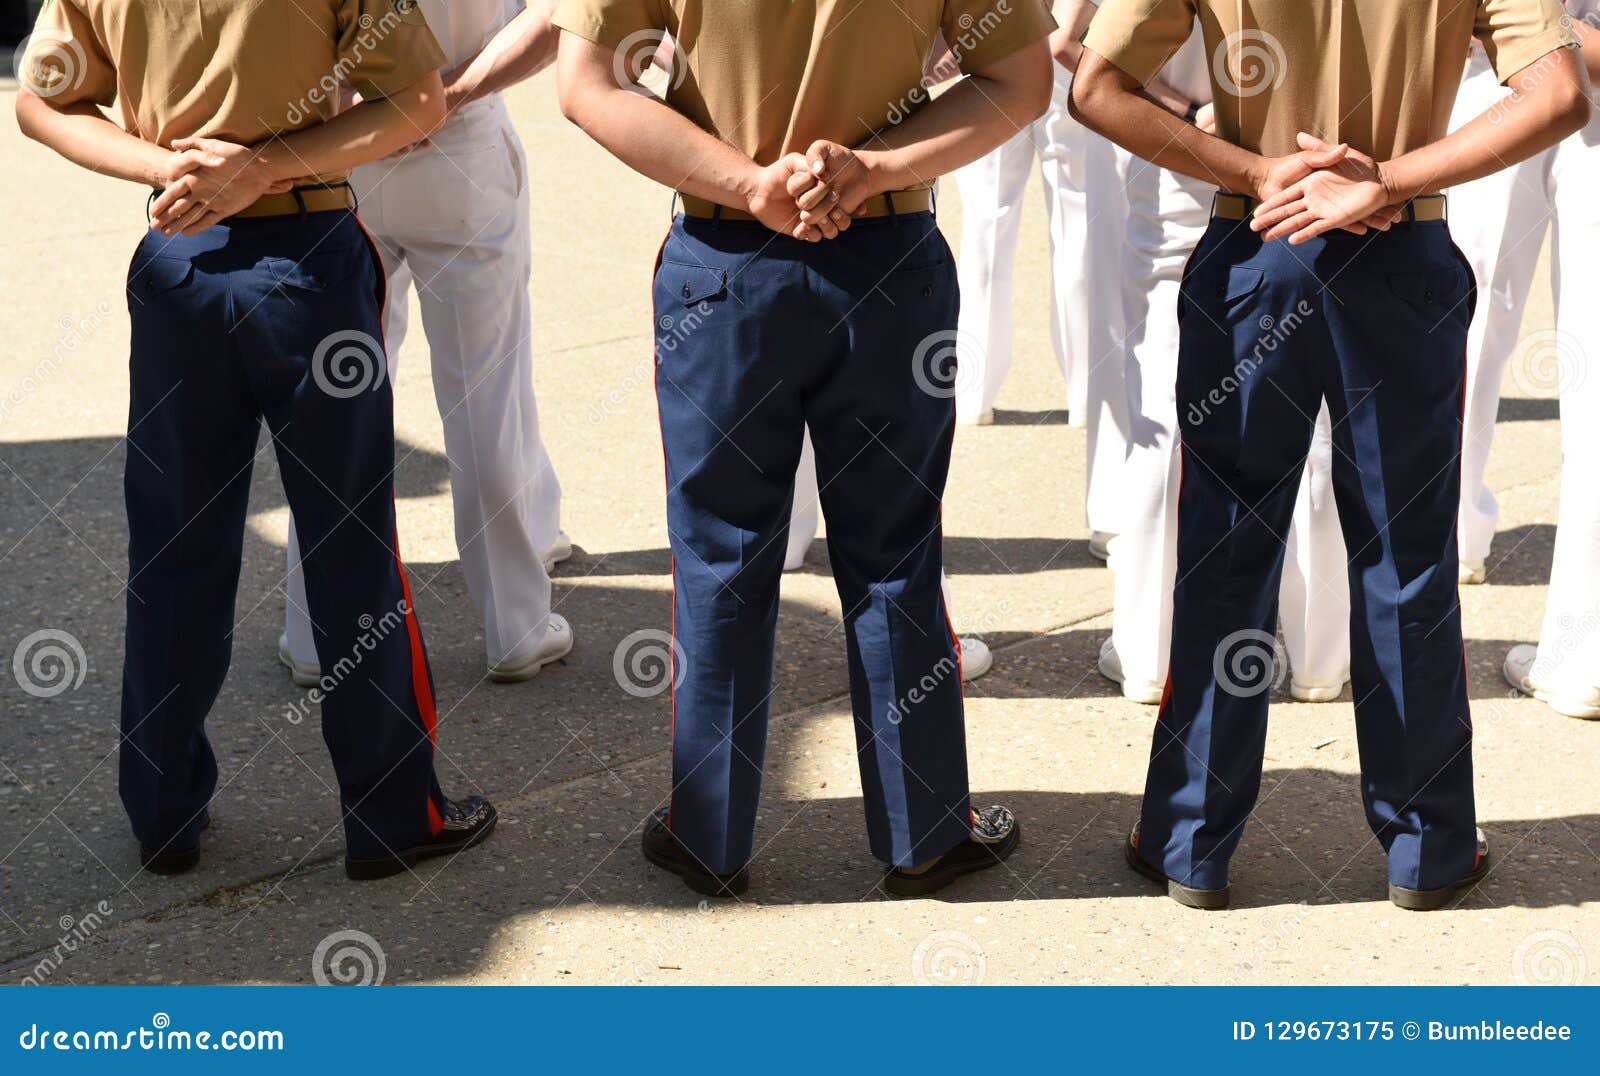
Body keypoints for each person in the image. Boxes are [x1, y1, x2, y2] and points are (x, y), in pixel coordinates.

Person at [1072, 0, 1588, 910]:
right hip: (1400, 249)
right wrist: (1386, 181)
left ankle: (1191, 837)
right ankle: (1427, 846)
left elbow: (1094, 90)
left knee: (1226, 552)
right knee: (1408, 560)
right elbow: (1558, 97)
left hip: (1256, 244)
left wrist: (1257, 170)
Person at [553, 0, 1056, 898]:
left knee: (719, 553)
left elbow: (587, 85)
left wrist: (749, 184)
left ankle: (709, 834)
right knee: (894, 548)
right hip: (886, 257)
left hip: (725, 258)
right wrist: (877, 166)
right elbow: (1018, 81)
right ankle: (925, 829)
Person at [16, 0, 498, 880]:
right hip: (308, 263)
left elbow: (40, 101)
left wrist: (171, 165)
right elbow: (418, 104)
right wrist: (262, 167)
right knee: (351, 544)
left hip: (178, 259)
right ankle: (393, 815)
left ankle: (163, 815)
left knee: (172, 547)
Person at [280, 0, 575, 688]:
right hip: (459, 142)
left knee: (331, 399)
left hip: (343, 148)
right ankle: (515, 622)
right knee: (486, 393)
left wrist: (341, 97)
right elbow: (565, 13)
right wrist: (453, 91)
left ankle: (314, 629)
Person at [1090, 18, 1352, 706]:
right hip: (1318, 160)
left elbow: (1087, 62)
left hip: (1189, 164)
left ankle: (1150, 651)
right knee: (1318, 410)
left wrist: (1193, 117)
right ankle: (1323, 652)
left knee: (1165, 406)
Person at [1446, 5, 1600, 718]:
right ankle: (1583, 652)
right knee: (1461, 316)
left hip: (1504, 63)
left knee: (1461, 319)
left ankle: (1581, 649)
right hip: (1502, 64)